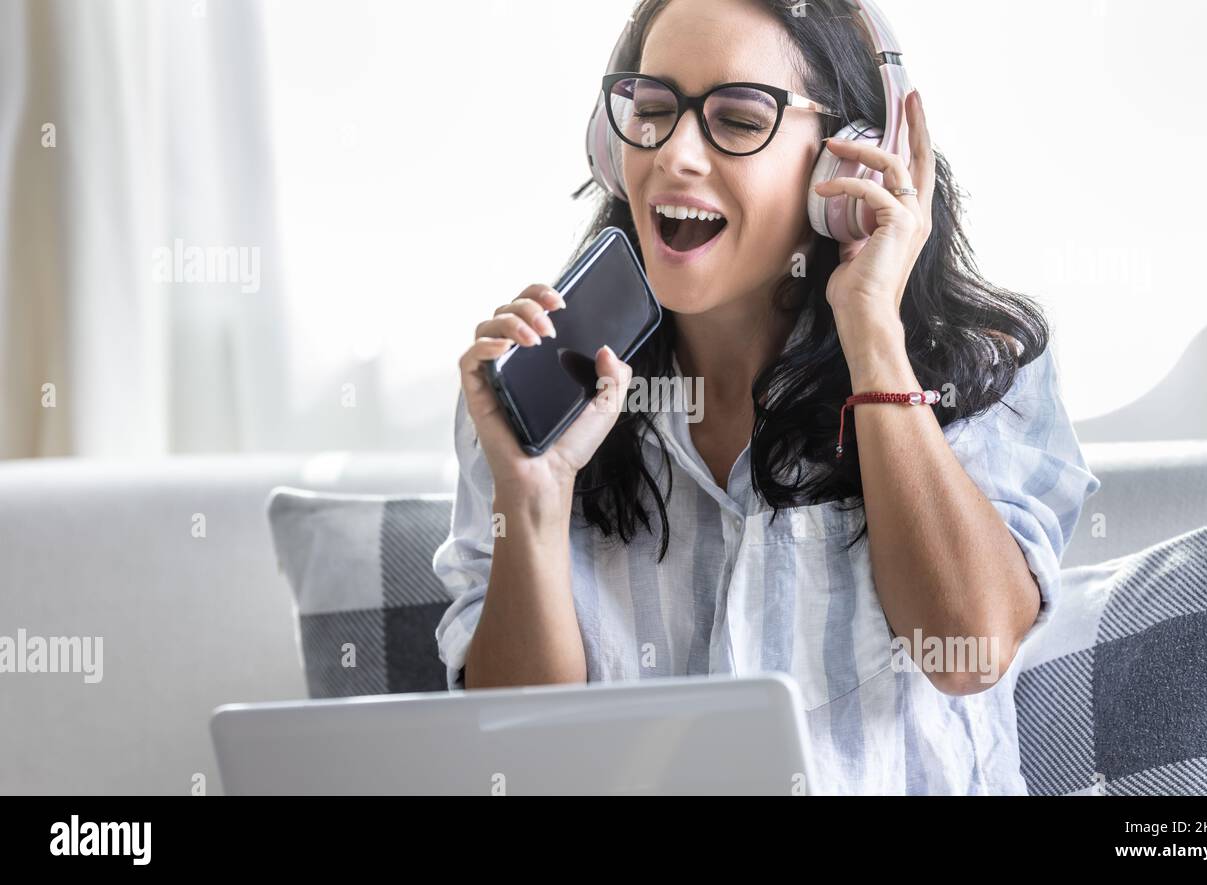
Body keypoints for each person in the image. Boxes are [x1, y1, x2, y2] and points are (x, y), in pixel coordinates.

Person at [434, 0, 1101, 795]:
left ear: (847, 162)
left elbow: (970, 649)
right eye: (651, 110)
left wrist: (871, 328)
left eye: (738, 120)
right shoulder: (533, 396)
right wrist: (533, 497)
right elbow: (520, 759)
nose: (675, 153)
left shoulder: (979, 370)